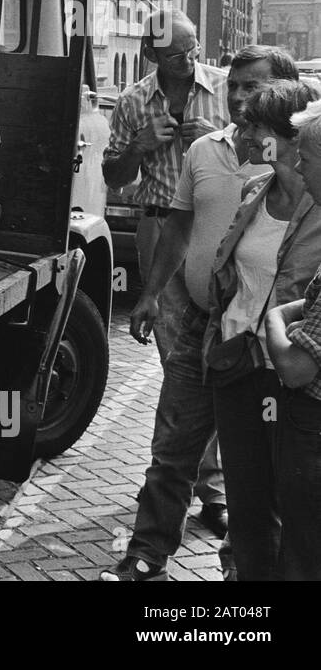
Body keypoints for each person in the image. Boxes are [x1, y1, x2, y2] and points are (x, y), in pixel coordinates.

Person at [103, 46, 298, 581]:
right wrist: (150, 293)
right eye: (233, 85)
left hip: (264, 341)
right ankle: (145, 556)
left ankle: (243, 569)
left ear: (283, 93)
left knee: (254, 467)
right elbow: (179, 226)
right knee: (172, 447)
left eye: (251, 88)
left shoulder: (298, 167)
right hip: (200, 326)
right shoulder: (205, 152)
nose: (237, 97)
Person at [102, 9, 229, 533]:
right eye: (177, 53)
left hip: (222, 230)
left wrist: (219, 135)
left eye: (194, 46)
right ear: (153, 55)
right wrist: (140, 145)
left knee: (219, 353)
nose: (190, 59)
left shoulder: (225, 89)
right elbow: (113, 177)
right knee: (179, 360)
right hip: (161, 232)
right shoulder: (134, 101)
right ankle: (185, 475)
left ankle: (208, 483)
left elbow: (265, 153)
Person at [205, 80, 321, 581]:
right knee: (247, 502)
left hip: (293, 378)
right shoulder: (254, 191)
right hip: (239, 365)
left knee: (295, 510)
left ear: (289, 137)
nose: (242, 133)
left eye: (253, 126)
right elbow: (229, 270)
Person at [264, 98, 321, 580]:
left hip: (313, 427)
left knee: (302, 554)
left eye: (306, 157)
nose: (298, 165)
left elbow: (296, 367)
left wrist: (275, 321)